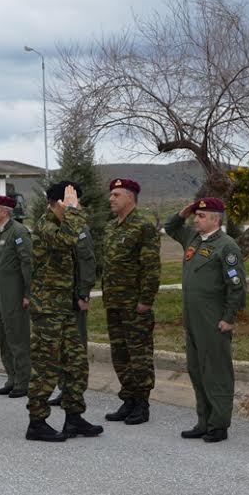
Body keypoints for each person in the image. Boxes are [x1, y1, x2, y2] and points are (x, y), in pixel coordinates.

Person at [26, 182, 103, 442]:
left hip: (65, 307)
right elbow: (67, 239)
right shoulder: (45, 226)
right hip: (47, 310)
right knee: (46, 365)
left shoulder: (64, 223)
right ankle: (37, 421)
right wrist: (73, 211)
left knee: (76, 364)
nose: (78, 207)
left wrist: (81, 293)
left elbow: (80, 251)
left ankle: (74, 417)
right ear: (60, 204)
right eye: (73, 203)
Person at [164, 198, 245, 443]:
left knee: (216, 372)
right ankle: (204, 421)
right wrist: (183, 211)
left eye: (200, 215)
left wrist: (229, 318)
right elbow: (170, 227)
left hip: (213, 319)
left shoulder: (227, 246)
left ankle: (219, 424)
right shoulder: (193, 239)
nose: (195, 219)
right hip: (193, 319)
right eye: (195, 215)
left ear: (215, 219)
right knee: (197, 369)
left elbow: (237, 286)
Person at [101, 178, 161, 424]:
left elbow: (151, 267)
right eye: (111, 195)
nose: (111, 199)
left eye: (116, 195)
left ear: (129, 197)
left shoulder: (143, 226)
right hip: (114, 302)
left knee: (139, 354)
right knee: (120, 353)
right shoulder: (111, 227)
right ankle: (128, 399)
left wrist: (146, 300)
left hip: (134, 304)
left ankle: (142, 403)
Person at [49, 184, 96, 407]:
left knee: (76, 346)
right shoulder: (54, 226)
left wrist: (84, 293)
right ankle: (63, 387)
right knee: (59, 346)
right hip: (57, 298)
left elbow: (86, 261)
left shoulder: (79, 227)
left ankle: (74, 390)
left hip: (74, 297)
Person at [0, 194, 32, 398]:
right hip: (0, 293)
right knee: (4, 335)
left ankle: (23, 381)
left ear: (4, 211)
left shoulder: (18, 231)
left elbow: (28, 263)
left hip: (15, 293)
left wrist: (28, 293)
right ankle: (11, 377)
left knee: (17, 336)